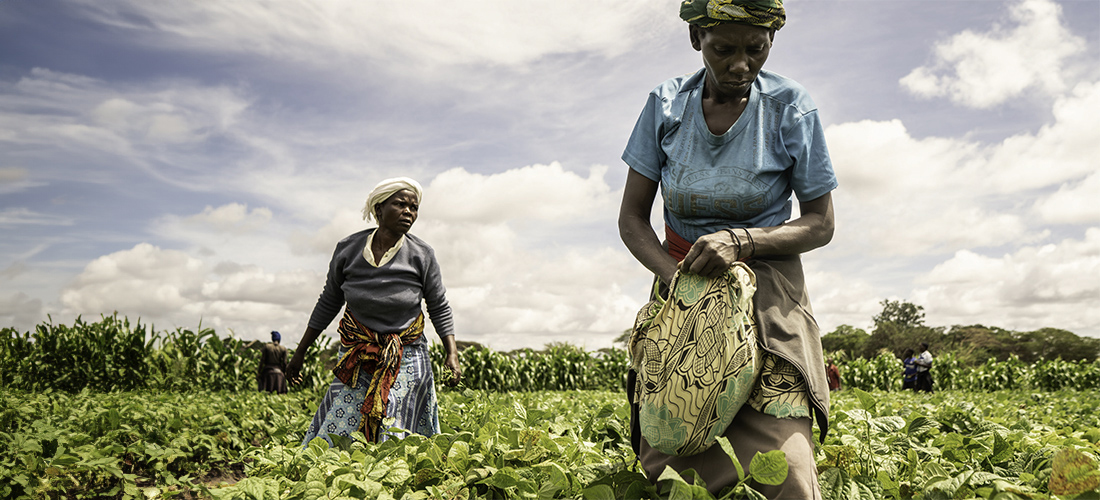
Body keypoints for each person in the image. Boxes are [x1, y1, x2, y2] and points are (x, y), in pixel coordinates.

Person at [617, 0, 836, 497]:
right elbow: (632, 219)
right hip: (681, 288)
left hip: (768, 293)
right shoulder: (667, 105)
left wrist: (742, 242)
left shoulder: (790, 107)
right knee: (672, 461)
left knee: (787, 468)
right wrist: (678, 284)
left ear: (771, 44)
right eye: (723, 49)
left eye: (755, 49)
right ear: (697, 40)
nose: (740, 64)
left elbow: (821, 223)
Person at [287, 177, 462, 446]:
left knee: (397, 429)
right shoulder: (348, 250)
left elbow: (438, 305)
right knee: (343, 425)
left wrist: (452, 353)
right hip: (359, 352)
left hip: (406, 353)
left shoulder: (421, 254)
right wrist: (300, 352)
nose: (408, 212)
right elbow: (329, 301)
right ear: (379, 209)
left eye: (414, 208)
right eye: (400, 204)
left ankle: (394, 479)